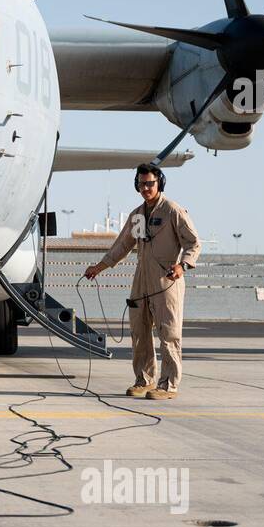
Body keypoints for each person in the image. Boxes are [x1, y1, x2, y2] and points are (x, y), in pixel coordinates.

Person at [83, 163, 200, 400]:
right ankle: (144, 380)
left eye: (150, 183)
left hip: (166, 281)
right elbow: (123, 246)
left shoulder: (172, 211)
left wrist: (182, 265)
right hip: (141, 282)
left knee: (169, 333)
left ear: (160, 183)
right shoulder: (137, 215)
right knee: (139, 331)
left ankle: (168, 385)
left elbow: (193, 243)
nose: (146, 188)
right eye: (141, 183)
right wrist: (99, 267)